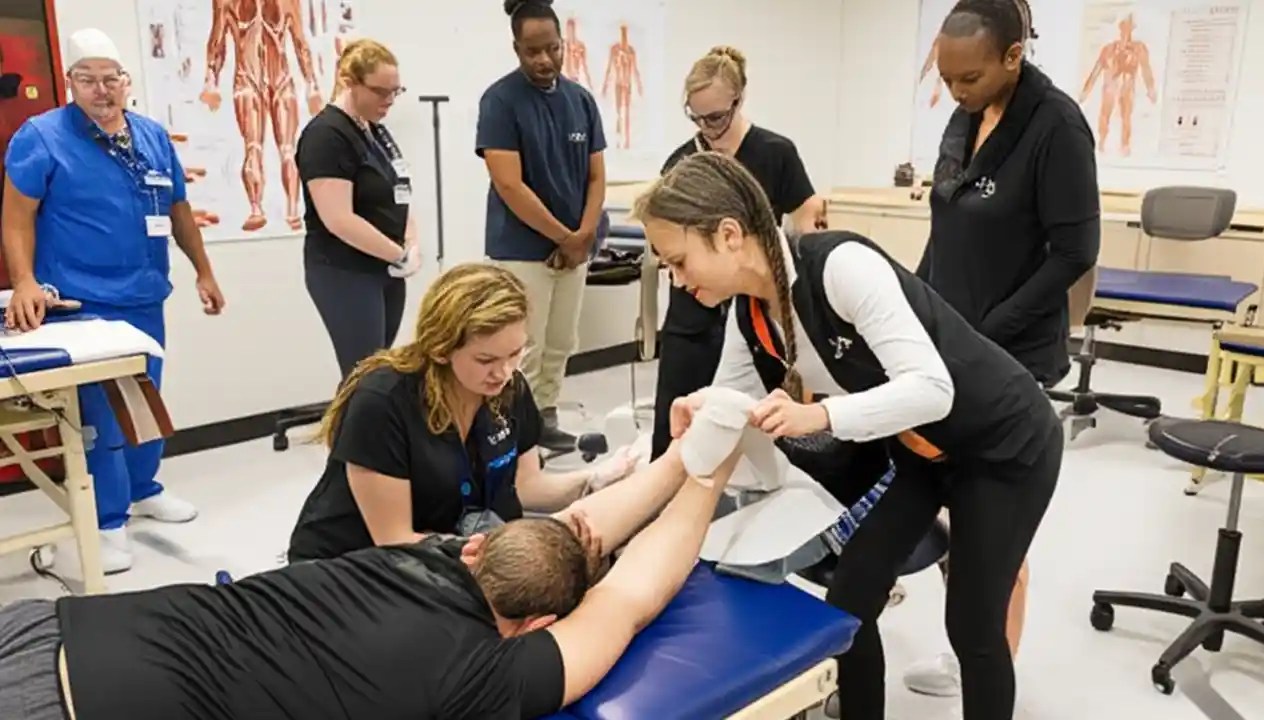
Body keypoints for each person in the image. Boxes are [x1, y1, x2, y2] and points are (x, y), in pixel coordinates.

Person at [636, 151, 1064, 720]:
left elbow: (933, 389)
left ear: (729, 235)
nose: (678, 281)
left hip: (1005, 444)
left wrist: (821, 417)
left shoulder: (840, 266)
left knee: (973, 624)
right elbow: (733, 407)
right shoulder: (750, 315)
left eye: (679, 262)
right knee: (851, 604)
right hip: (921, 453)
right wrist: (702, 410)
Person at [0, 431, 743, 720]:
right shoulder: (488, 674)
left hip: (55, 628)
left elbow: (581, 536)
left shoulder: (407, 554)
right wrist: (713, 468)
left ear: (477, 547)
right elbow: (629, 595)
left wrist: (688, 448)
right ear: (540, 627)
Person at [908, 0, 1099, 697]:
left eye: (968, 79)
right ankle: (970, 645)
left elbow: (1077, 251)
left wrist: (983, 333)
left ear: (1014, 57)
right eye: (948, 80)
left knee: (994, 526)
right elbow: (946, 224)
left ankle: (989, 664)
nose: (955, 94)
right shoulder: (965, 118)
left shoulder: (1056, 127)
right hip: (949, 348)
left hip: (1009, 359)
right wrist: (914, 309)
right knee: (953, 508)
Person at [1, 28, 226, 574]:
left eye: (111, 79)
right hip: (80, 303)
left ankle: (145, 489)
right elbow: (16, 215)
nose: (102, 90)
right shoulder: (42, 136)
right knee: (100, 415)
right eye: (88, 80)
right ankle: (104, 522)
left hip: (144, 296)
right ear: (71, 84)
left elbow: (177, 211)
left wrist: (204, 270)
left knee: (146, 401)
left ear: (125, 81)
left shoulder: (149, 137)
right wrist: (25, 280)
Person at [288, 263, 641, 563]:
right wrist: (505, 550)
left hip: (452, 546)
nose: (503, 373)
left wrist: (591, 481)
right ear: (441, 349)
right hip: (356, 563)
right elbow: (394, 541)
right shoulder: (383, 401)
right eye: (485, 360)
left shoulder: (509, 389)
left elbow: (526, 486)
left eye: (515, 354)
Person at [650, 45, 824, 460]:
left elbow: (807, 220)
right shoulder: (681, 163)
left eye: (717, 117)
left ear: (739, 99)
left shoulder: (775, 153)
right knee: (675, 431)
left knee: (759, 433)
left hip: (754, 315)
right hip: (694, 317)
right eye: (697, 118)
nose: (708, 128)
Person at [477, 0, 607, 452]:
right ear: (517, 49)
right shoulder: (500, 101)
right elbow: (509, 186)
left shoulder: (581, 100)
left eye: (552, 48)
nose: (544, 59)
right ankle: (516, 430)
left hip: (575, 247)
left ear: (563, 44)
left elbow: (595, 174)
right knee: (521, 347)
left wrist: (584, 235)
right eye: (532, 51)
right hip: (521, 249)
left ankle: (545, 417)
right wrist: (565, 237)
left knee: (561, 341)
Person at [297, 38, 420, 383]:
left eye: (397, 92)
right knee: (363, 376)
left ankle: (373, 437)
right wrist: (398, 253)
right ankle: (351, 437)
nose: (389, 101)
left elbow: (397, 191)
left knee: (378, 370)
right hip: (344, 270)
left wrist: (411, 242)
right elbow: (338, 219)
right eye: (381, 92)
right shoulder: (326, 135)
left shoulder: (374, 130)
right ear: (349, 83)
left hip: (386, 267)